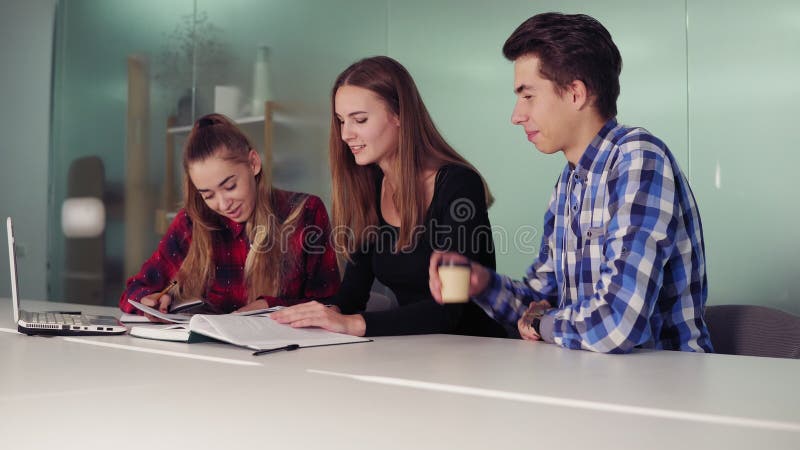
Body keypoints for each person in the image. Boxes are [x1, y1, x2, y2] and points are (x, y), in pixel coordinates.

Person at [429, 13, 713, 353]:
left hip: (668, 387)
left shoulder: (638, 158)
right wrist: (481, 284)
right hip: (591, 381)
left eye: (528, 95)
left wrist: (542, 322)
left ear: (575, 93)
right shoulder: (569, 183)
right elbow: (538, 302)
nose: (516, 115)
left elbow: (616, 322)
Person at [270, 56, 506, 338]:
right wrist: (314, 316)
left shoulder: (458, 184)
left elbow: (450, 310)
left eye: (360, 119)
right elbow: (351, 297)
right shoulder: (370, 184)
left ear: (399, 115)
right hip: (414, 351)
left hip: (476, 353)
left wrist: (354, 323)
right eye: (340, 121)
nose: (346, 134)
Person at [120, 114, 340, 318]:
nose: (224, 204)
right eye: (208, 195)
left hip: (285, 354)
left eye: (230, 186)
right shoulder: (191, 222)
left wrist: (269, 306)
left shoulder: (306, 212)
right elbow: (134, 291)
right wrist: (153, 301)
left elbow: (331, 305)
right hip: (209, 353)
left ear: (253, 163)